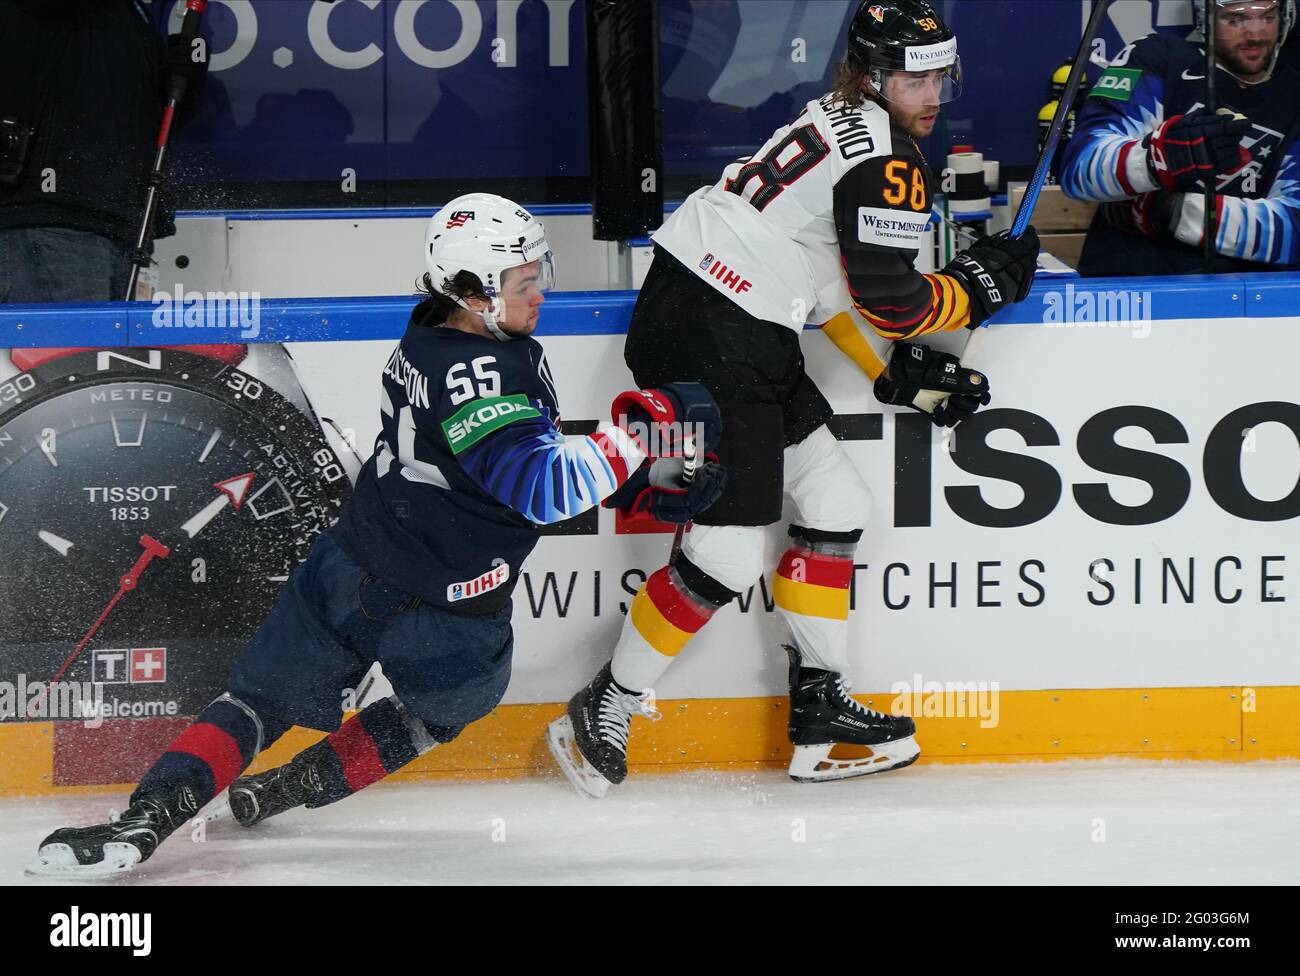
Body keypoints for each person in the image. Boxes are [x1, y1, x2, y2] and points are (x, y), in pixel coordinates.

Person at [30, 194, 726, 877]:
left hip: (348, 570)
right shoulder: (483, 371)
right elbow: (543, 490)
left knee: (253, 704)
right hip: (447, 615)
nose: (539, 292)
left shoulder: (428, 324)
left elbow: (482, 466)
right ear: (474, 293)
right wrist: (638, 431)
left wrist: (643, 474)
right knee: (438, 713)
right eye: (523, 282)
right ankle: (294, 788)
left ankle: (147, 816)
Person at [547, 0, 1040, 794]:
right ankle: (606, 701)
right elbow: (896, 302)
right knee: (728, 552)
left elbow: (827, 286)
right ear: (876, 77)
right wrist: (981, 287)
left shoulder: (837, 116)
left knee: (836, 501)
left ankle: (820, 714)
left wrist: (887, 373)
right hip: (718, 331)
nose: (935, 91)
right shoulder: (886, 160)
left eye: (943, 72)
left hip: (733, 320)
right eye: (917, 76)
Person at [1059, 0, 1300, 275]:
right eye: (1235, 19)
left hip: (1252, 296)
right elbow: (1079, 166)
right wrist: (1155, 159)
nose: (1255, 34)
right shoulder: (1157, 58)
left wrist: (1173, 211)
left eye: (1268, 17)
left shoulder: (1294, 93)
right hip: (1134, 284)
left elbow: (1296, 228)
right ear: (1204, 17)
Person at [0, 0, 207, 303]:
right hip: (51, 222)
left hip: (120, 228)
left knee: (101, 350)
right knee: (68, 349)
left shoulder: (131, 14)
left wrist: (183, 79)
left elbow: (153, 123)